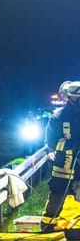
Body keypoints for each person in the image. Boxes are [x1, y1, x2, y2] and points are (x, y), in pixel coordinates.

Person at [40, 80, 79, 232]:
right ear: (70, 98)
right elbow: (50, 140)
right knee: (58, 192)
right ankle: (48, 226)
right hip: (64, 161)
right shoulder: (58, 117)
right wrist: (50, 151)